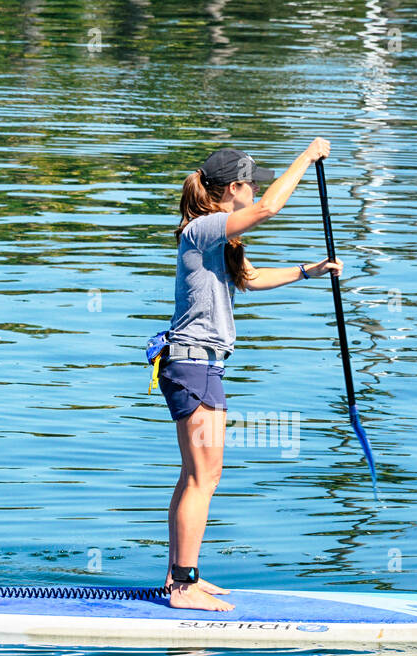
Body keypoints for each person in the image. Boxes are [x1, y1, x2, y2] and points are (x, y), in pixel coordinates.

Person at [159, 139, 343, 611]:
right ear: (233, 188)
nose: (256, 189)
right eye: (251, 183)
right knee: (205, 476)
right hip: (193, 364)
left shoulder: (220, 238)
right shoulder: (201, 228)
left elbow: (251, 279)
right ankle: (184, 585)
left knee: (196, 474)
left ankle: (180, 573)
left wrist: (308, 271)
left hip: (201, 365)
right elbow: (269, 208)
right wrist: (306, 156)